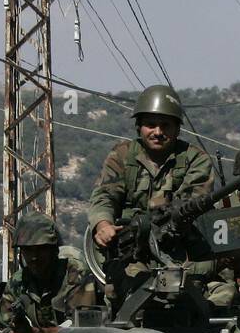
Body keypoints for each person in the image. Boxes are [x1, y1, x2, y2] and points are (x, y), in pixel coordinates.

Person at [86, 84, 216, 298]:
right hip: (131, 252)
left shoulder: (195, 159)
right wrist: (103, 224)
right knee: (123, 293)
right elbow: (104, 195)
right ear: (139, 127)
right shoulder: (122, 156)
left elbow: (191, 204)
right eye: (151, 125)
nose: (158, 132)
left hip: (179, 251)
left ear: (177, 129)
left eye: (165, 125)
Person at [0, 213, 96, 333]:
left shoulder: (76, 275)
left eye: (41, 249)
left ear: (54, 250)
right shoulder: (17, 283)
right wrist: (12, 332)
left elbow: (84, 329)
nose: (34, 257)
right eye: (28, 250)